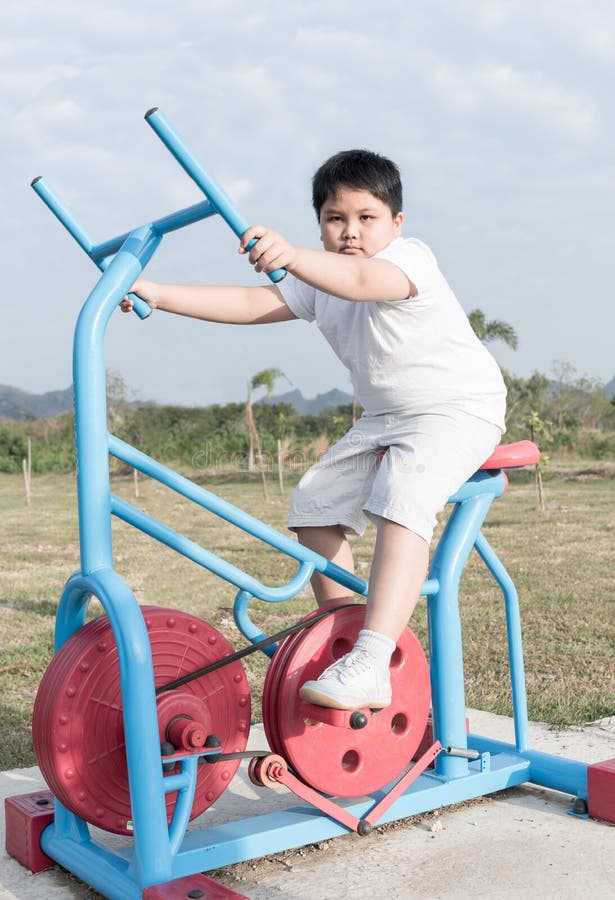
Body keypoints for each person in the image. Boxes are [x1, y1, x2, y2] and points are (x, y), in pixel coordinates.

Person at [122, 149, 506, 712]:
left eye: (365, 218)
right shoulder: (319, 279)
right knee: (314, 501)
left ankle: (374, 657)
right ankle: (342, 636)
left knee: (403, 493)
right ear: (320, 222)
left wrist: (292, 254)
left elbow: (358, 278)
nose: (350, 232)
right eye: (334, 219)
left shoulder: (408, 260)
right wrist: (162, 294)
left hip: (457, 408)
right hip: (385, 419)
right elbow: (254, 302)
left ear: (396, 223)